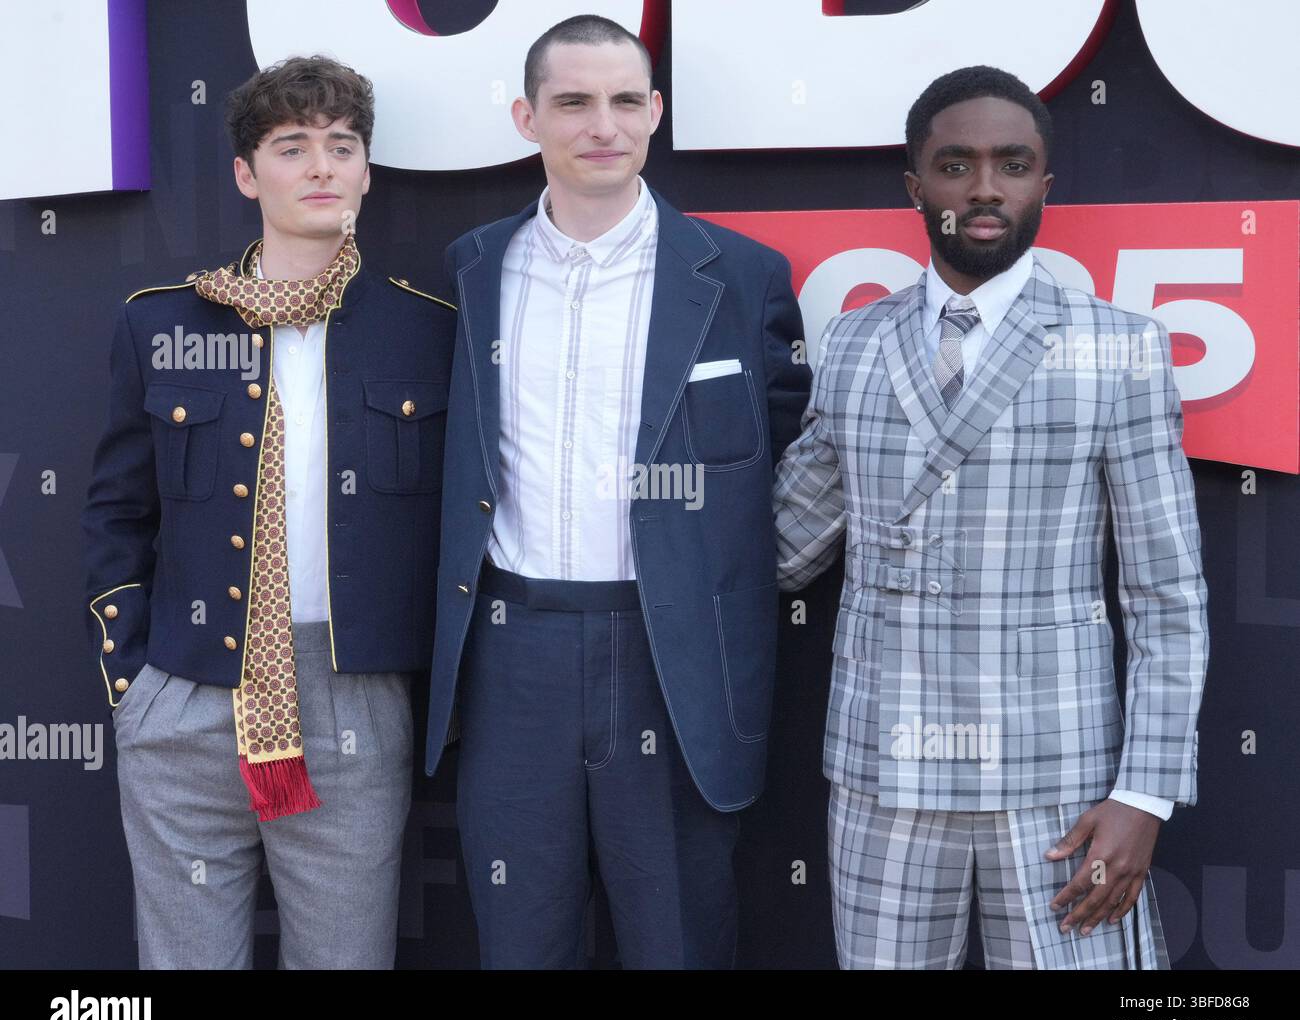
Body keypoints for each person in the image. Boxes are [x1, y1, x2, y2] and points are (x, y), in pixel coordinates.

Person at [774, 65, 1208, 969]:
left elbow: (1167, 595)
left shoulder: (1120, 349)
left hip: (1062, 783)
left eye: (1011, 164)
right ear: (915, 186)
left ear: (1044, 184)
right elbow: (781, 547)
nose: (982, 188)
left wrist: (1149, 794)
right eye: (955, 164)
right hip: (881, 770)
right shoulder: (854, 342)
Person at [423, 15, 810, 968]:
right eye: (573, 102)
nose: (604, 124)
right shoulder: (473, 270)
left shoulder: (744, 278)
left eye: (625, 100)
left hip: (670, 657)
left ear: (656, 112)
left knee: (678, 942)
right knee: (519, 946)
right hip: (512, 657)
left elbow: (795, 461)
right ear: (527, 117)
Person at [81, 55, 455, 969]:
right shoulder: (162, 324)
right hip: (185, 693)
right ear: (249, 175)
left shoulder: (430, 330)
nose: (322, 166)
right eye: (293, 147)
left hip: (352, 705)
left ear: (367, 169)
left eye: (342, 145)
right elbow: (115, 512)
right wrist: (135, 688)